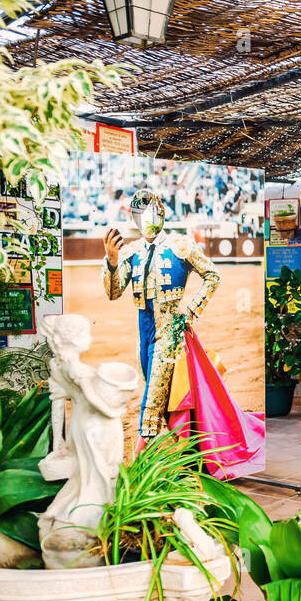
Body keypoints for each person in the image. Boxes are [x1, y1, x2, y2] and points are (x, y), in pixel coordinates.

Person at [102, 188, 220, 440]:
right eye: (140, 214)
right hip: (143, 333)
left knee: (152, 398)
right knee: (157, 390)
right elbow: (113, 293)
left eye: (150, 212)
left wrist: (191, 310)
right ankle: (185, 444)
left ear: (160, 214)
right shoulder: (131, 252)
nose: (145, 219)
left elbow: (213, 275)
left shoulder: (180, 246)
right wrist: (111, 263)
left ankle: (145, 456)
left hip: (169, 331)